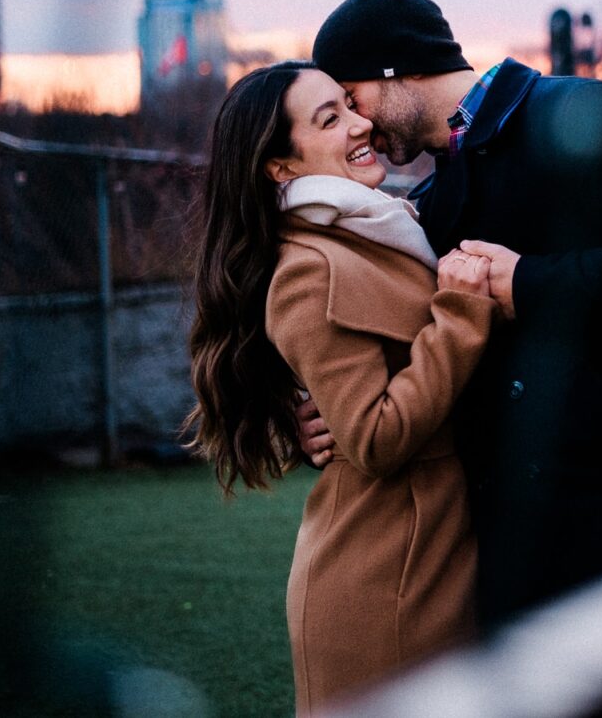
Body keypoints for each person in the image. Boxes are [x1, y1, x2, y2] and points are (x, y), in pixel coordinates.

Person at [303, 0, 602, 629]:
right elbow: (436, 347)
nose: (358, 124)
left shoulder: (583, 109)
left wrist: (526, 283)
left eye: (353, 98)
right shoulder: (433, 201)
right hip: (510, 540)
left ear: (401, 69)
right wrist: (337, 412)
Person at [185, 60, 502, 715]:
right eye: (330, 119)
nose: (362, 124)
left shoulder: (378, 229)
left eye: (349, 106)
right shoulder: (312, 272)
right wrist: (461, 311)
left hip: (429, 560)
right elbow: (378, 439)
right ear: (282, 168)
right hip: (390, 586)